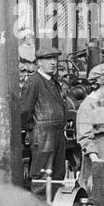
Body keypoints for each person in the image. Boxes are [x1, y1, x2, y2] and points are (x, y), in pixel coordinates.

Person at [20, 46, 68, 185]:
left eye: (54, 59)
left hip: (57, 133)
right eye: (48, 59)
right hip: (43, 134)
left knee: (57, 173)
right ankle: (40, 204)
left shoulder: (53, 81)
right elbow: (24, 111)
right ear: (39, 63)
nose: (53, 62)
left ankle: (53, 203)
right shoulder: (34, 82)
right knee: (42, 172)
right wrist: (34, 128)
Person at [74, 63, 104, 184]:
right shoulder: (87, 106)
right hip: (98, 153)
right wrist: (96, 161)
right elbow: (85, 138)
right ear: (102, 82)